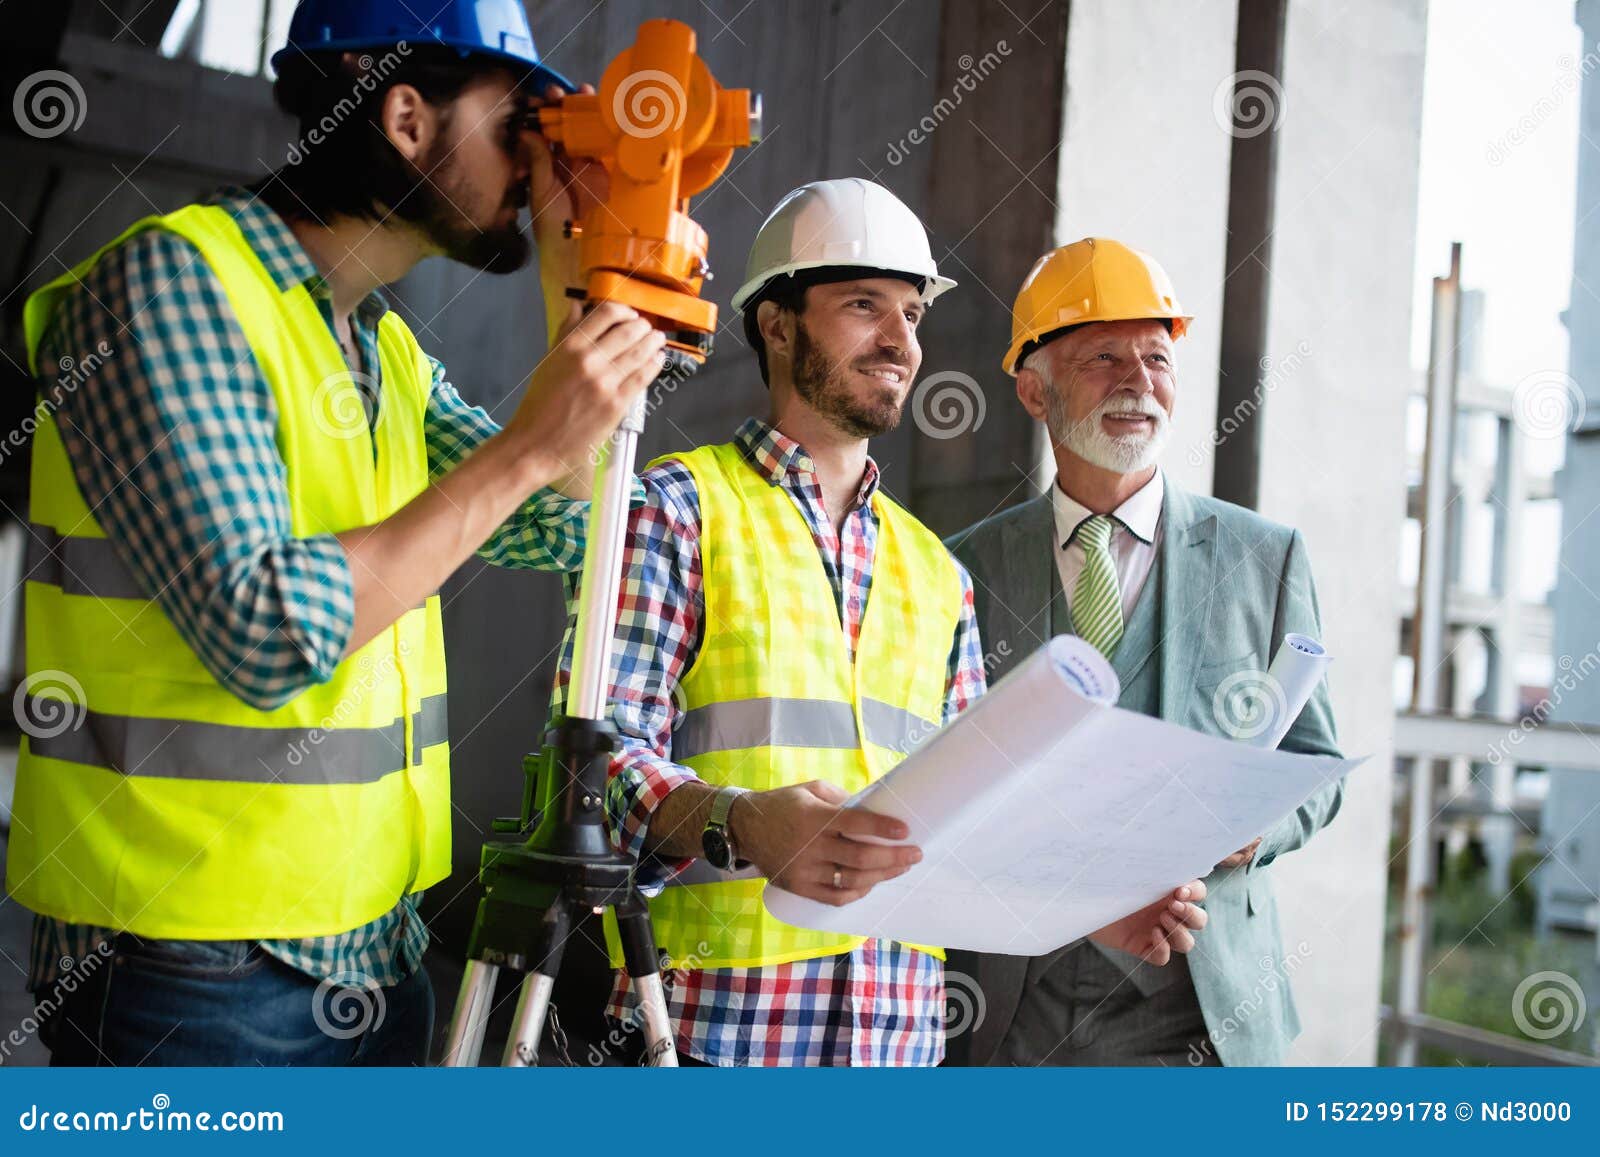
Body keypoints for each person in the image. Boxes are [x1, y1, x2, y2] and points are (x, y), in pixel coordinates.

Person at [7, 0, 663, 1066]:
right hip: (198, 967)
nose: (533, 168)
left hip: (377, 942)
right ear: (405, 117)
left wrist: (575, 272)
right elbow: (266, 630)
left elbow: (558, 522)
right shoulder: (173, 287)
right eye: (516, 131)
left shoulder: (381, 353)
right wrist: (527, 446)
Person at [549, 182, 1208, 1067]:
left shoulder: (935, 570)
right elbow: (591, 761)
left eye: (910, 313)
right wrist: (743, 824)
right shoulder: (677, 510)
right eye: (865, 306)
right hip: (707, 1032)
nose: (901, 342)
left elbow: (975, 814)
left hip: (894, 1047)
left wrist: (1088, 901)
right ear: (777, 325)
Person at [945, 237, 1343, 1066]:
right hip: (1017, 1010)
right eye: (1103, 357)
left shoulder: (1265, 559)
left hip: (1203, 1016)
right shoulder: (961, 569)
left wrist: (1253, 827)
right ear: (1032, 388)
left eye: (1157, 358)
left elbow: (1317, 763)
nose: (1138, 381)